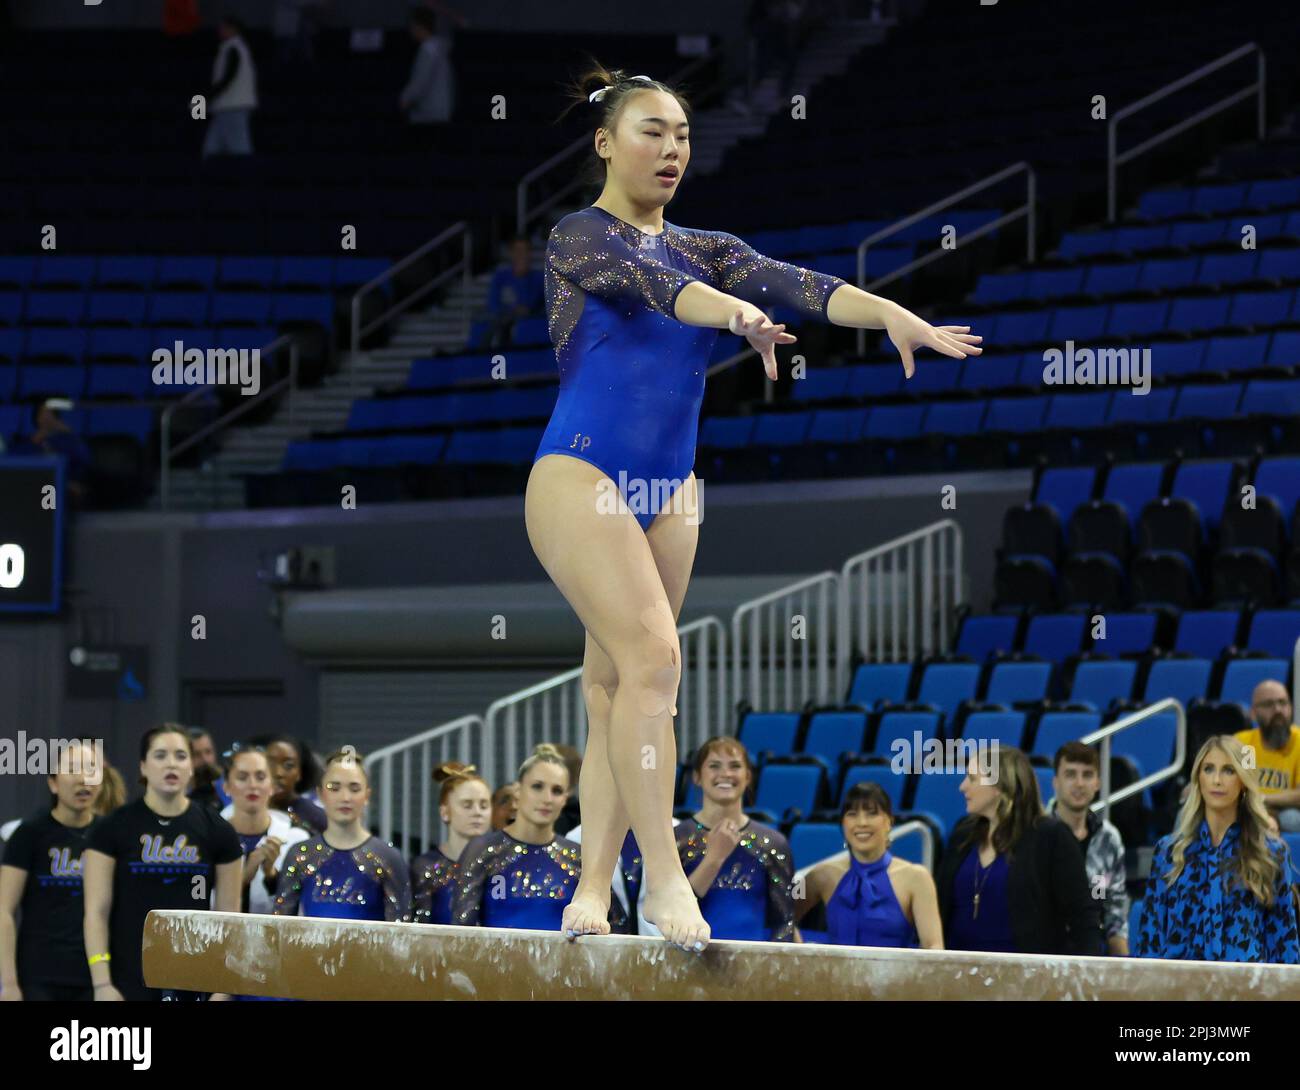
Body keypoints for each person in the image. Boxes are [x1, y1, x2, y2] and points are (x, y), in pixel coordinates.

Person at [525, 65, 979, 953]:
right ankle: (660, 879)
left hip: (670, 492)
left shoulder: (709, 244)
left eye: (684, 134)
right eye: (652, 131)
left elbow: (801, 284)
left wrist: (889, 313)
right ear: (605, 143)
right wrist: (735, 317)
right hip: (578, 476)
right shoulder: (576, 237)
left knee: (619, 682)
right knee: (657, 658)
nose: (672, 149)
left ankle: (592, 884)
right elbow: (658, 289)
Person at [83, 724, 243, 1001]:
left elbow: (230, 918)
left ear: (191, 767)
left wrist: (223, 987)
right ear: (143, 767)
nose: (171, 763)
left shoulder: (218, 830)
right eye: (160, 755)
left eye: (180, 756)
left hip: (196, 978)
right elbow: (96, 912)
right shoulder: (111, 829)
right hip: (126, 980)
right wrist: (101, 983)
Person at [1135, 735, 1300, 963]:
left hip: (1246, 991)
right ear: (1198, 778)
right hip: (1179, 990)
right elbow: (1150, 940)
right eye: (1209, 769)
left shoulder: (1271, 852)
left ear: (1243, 781)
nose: (1217, 780)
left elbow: (1284, 945)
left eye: (1229, 770)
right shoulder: (1169, 851)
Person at [936, 746, 1102, 955]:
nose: (963, 786)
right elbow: (939, 905)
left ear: (998, 786)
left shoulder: (1050, 836)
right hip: (957, 972)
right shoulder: (963, 833)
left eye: (972, 778)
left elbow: (1083, 916)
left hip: (1025, 977)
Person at [451, 744, 625, 932]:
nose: (547, 798)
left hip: (563, 961)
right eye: (537, 787)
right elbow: (461, 928)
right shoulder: (483, 850)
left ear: (565, 799)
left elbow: (617, 925)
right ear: (517, 791)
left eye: (557, 790)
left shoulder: (578, 858)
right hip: (494, 960)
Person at [0, 743, 103, 1001]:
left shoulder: (109, 835)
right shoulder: (29, 834)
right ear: (53, 783)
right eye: (72, 770)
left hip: (94, 974)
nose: (83, 779)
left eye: (91, 769)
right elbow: (4, 910)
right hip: (38, 975)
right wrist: (9, 983)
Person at [675, 737, 795, 942]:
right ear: (696, 777)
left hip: (753, 965)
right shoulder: (677, 839)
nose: (726, 774)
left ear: (748, 776)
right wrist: (714, 859)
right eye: (714, 766)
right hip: (688, 961)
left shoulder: (773, 844)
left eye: (735, 766)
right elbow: (673, 911)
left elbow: (784, 922)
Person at [795, 782, 942, 948]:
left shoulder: (917, 877)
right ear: (843, 824)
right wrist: (799, 952)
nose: (862, 822)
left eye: (872, 814)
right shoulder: (822, 875)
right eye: (852, 814)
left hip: (896, 974)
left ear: (889, 822)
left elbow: (934, 947)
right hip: (837, 974)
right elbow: (782, 912)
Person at [274, 749, 411, 922]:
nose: (345, 797)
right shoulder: (300, 854)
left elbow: (402, 931)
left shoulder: (389, 858)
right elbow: (279, 925)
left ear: (367, 795)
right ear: (321, 794)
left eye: (354, 788)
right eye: (334, 788)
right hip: (312, 949)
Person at [1047, 741, 1129, 955]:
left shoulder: (1109, 839)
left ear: (1098, 783)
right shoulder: (1037, 834)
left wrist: (1124, 967)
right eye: (1071, 774)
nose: (1079, 783)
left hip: (1094, 952)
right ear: (1055, 782)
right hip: (1045, 953)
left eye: (1087, 775)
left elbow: (1115, 912)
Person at [220, 746, 310, 915]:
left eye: (260, 777)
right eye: (242, 777)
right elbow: (202, 904)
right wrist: (243, 879)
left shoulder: (296, 840)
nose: (252, 785)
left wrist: (272, 877)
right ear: (226, 786)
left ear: (272, 787)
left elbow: (300, 913)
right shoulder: (211, 836)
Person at [411, 762, 491, 925]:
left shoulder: (499, 864)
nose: (477, 812)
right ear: (445, 812)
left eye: (484, 805)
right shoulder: (424, 866)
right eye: (467, 805)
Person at [1235, 680, 1300, 833]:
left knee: (1291, 818)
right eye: (1268, 704)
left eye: (1283, 703)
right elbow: (1242, 783)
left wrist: (1262, 799)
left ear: (1291, 707)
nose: (1278, 710)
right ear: (1253, 713)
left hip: (1284, 812)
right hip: (1249, 809)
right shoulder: (1245, 744)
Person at [8, 399, 92, 504]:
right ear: (37, 418)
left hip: (62, 485)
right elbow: (12, 461)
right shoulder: (28, 442)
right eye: (43, 413)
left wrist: (69, 434)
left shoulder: (67, 440)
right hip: (34, 485)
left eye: (50, 413)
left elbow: (83, 459)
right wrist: (34, 442)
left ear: (56, 417)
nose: (47, 417)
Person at [247, 734, 327, 833]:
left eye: (288, 765)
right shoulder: (237, 813)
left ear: (299, 773)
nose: (278, 773)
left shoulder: (319, 819)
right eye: (270, 763)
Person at [203, 17, 258, 159]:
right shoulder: (231, 48)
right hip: (225, 107)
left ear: (233, 29)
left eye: (223, 27)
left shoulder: (234, 48)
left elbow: (228, 77)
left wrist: (206, 97)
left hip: (233, 106)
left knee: (239, 150)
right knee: (211, 149)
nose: (220, 30)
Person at [484, 237, 545, 350]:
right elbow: (493, 305)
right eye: (518, 251)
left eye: (526, 251)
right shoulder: (500, 277)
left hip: (530, 331)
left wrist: (527, 310)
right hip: (503, 329)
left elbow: (541, 305)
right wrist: (511, 311)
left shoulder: (539, 279)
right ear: (511, 254)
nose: (522, 255)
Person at [399, 7, 455, 127]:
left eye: (412, 26)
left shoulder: (427, 50)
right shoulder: (440, 48)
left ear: (418, 26)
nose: (410, 30)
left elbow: (420, 81)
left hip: (428, 114)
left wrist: (405, 99)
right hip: (441, 110)